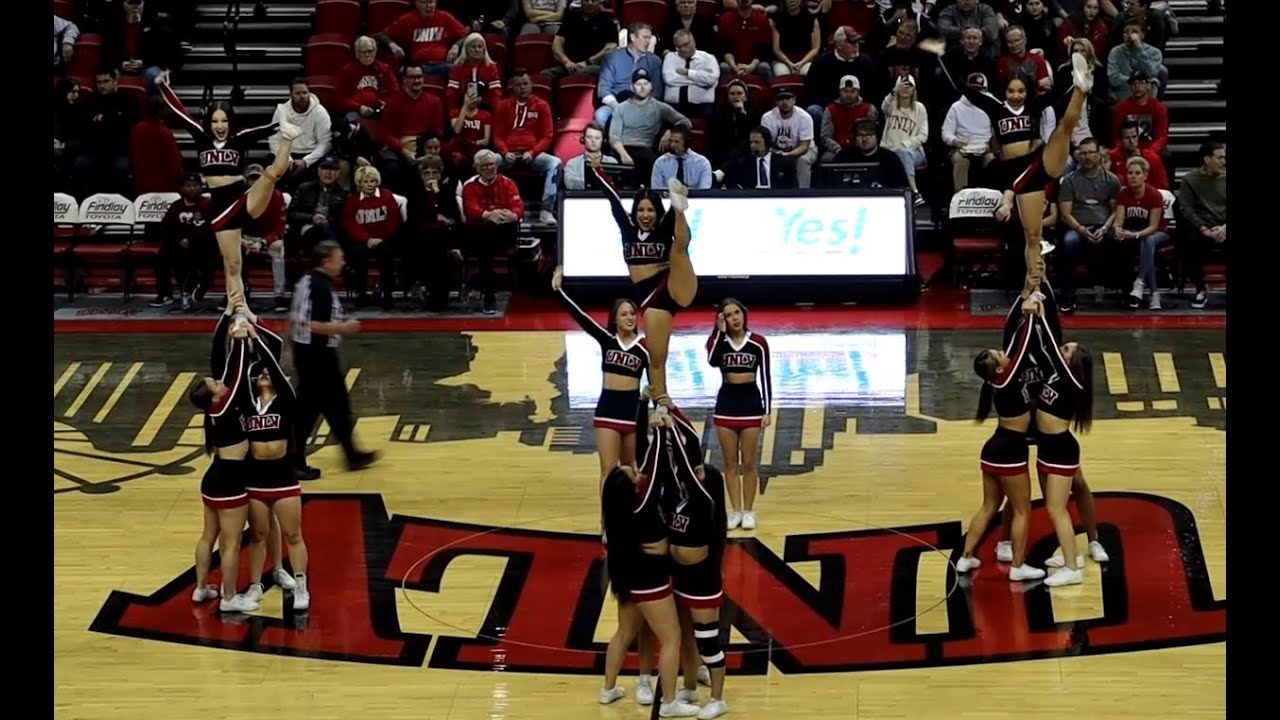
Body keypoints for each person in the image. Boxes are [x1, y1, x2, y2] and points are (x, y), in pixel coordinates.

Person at [924, 43, 1094, 297]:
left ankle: (1082, 87)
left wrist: (1071, 63)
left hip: (1037, 163)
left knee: (1064, 128)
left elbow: (1058, 90)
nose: (1016, 96)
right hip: (1014, 173)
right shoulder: (995, 108)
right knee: (1033, 234)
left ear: (1027, 91)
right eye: (1012, 91)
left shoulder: (1034, 106)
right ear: (1004, 92)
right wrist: (943, 56)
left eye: (1021, 91)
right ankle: (1032, 285)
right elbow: (963, 88)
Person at [156, 71, 302, 314]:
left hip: (242, 199)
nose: (220, 126)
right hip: (221, 210)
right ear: (209, 122)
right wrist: (162, 86)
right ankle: (238, 308)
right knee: (233, 264)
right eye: (215, 121)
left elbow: (263, 130)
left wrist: (281, 127)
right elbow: (180, 111)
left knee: (272, 174)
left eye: (224, 121)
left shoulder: (238, 139)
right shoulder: (201, 138)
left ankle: (288, 142)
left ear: (230, 121)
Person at [993, 281, 1110, 569]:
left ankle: (1093, 538)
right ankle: (1006, 541)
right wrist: (1026, 298)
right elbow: (1014, 325)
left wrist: (1041, 285)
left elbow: (1051, 319)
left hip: (1054, 432)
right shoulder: (1016, 349)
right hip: (1021, 425)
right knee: (1017, 490)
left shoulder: (1053, 355)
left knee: (1078, 484)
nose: (1061, 346)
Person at [598, 417, 701, 718]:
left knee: (622, 633)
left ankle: (608, 689)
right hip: (651, 580)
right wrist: (659, 431)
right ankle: (669, 703)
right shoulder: (639, 506)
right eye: (632, 473)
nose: (637, 473)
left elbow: (649, 473)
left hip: (629, 577)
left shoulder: (617, 513)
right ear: (630, 489)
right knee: (672, 638)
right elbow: (654, 470)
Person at [589, 164, 697, 408]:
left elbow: (682, 239)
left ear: (658, 212)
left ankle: (680, 207)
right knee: (656, 357)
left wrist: (676, 211)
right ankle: (661, 400)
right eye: (641, 210)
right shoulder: (627, 228)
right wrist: (596, 167)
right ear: (635, 212)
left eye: (650, 210)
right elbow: (613, 198)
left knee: (679, 248)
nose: (646, 215)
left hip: (673, 285)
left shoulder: (662, 227)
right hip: (652, 301)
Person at [956, 297, 1048, 582]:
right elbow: (1019, 349)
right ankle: (1019, 566)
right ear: (997, 368)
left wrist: (1021, 311)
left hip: (994, 448)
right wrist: (1031, 313)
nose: (1003, 353)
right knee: (1023, 509)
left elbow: (1013, 347)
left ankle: (966, 558)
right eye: (999, 355)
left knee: (988, 507)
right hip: (1010, 449)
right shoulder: (1006, 378)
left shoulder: (998, 379)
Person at [185, 310, 261, 613]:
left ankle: (202, 589)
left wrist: (226, 318)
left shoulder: (214, 410)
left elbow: (221, 359)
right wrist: (240, 336)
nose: (220, 383)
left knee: (208, 536)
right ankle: (229, 598)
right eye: (215, 384)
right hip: (230, 480)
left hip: (214, 478)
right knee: (230, 543)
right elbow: (239, 369)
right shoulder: (223, 405)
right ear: (215, 397)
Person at [659, 403, 730, 719]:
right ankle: (689, 686)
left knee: (708, 643)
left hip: (702, 583)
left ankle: (718, 699)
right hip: (680, 579)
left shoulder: (706, 502)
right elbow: (675, 467)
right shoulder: (680, 497)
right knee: (686, 639)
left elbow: (687, 463)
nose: (695, 473)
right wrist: (670, 409)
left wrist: (667, 428)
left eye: (701, 472)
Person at [236, 316, 312, 611]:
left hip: (283, 475)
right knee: (256, 535)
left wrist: (257, 333)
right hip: (255, 477)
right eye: (261, 374)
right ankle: (256, 586)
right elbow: (240, 372)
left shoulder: (285, 400)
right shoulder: (247, 402)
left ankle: (302, 585)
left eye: (269, 372)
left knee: (293, 534)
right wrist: (245, 341)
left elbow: (279, 367)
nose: (265, 375)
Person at [1022, 294, 1097, 587]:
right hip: (1047, 446)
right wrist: (1033, 319)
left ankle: (1072, 570)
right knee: (1054, 507)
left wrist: (1043, 316)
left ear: (1072, 363)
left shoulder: (1073, 381)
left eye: (1067, 350)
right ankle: (1073, 556)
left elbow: (1051, 348)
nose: (1061, 350)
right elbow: (1044, 351)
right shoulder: (1056, 376)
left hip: (1061, 450)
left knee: (1056, 508)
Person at [551, 267, 648, 490]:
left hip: (631, 413)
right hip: (608, 411)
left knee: (631, 468)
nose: (629, 318)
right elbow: (581, 317)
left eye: (632, 313)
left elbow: (654, 384)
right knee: (609, 470)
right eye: (624, 314)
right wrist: (558, 291)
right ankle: (607, 521)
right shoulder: (607, 340)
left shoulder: (644, 349)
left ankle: (632, 517)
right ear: (614, 318)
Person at [288, 241, 378, 475]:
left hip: (309, 352)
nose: (343, 262)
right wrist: (343, 328)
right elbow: (313, 324)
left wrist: (288, 350)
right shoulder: (319, 287)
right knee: (309, 411)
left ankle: (351, 454)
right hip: (316, 354)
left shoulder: (307, 281)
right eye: (340, 258)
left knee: (335, 405)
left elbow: (295, 320)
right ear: (326, 261)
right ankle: (293, 461)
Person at [704, 299, 771, 531]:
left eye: (737, 313)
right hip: (726, 407)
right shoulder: (717, 342)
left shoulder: (758, 342)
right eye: (729, 315)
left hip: (751, 405)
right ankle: (735, 511)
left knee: (750, 463)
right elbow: (712, 361)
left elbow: (766, 377)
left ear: (743, 314)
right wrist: (720, 334)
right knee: (730, 464)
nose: (735, 318)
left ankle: (750, 510)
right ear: (721, 319)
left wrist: (767, 410)